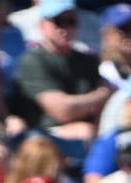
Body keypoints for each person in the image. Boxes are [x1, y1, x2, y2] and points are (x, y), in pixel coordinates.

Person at [13, 0, 111, 144]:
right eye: (59, 21)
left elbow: (107, 101)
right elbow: (63, 111)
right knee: (84, 131)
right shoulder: (34, 60)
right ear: (43, 25)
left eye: (71, 22)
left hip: (87, 130)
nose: (65, 28)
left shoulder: (87, 60)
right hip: (43, 134)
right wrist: (100, 96)